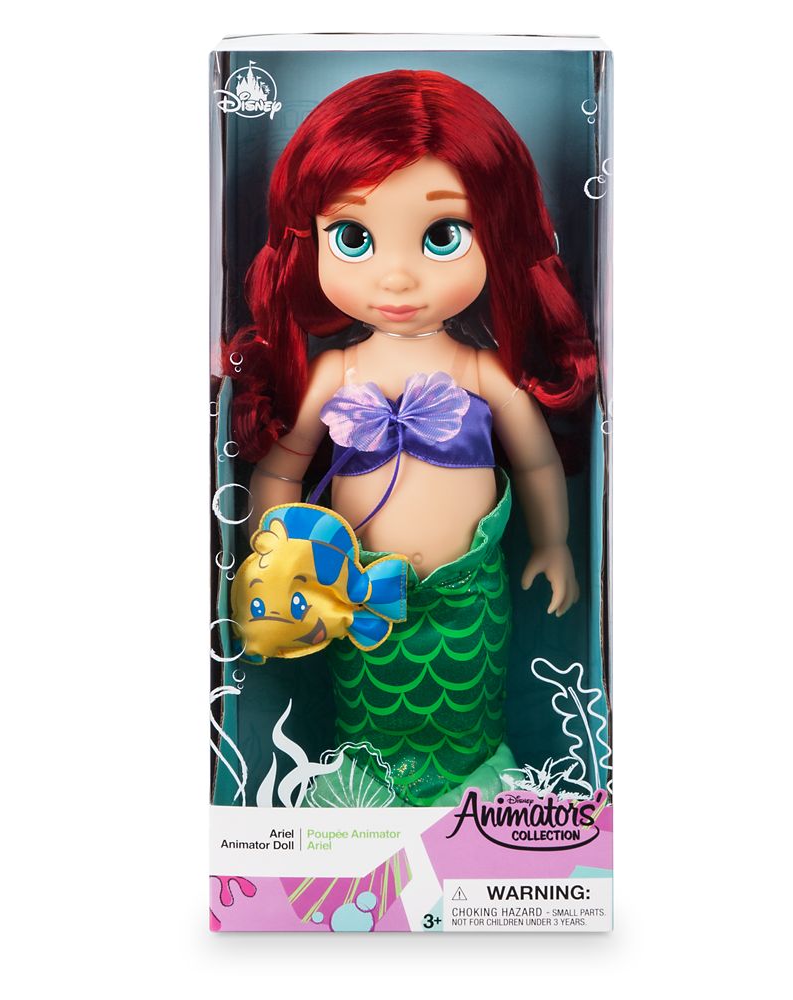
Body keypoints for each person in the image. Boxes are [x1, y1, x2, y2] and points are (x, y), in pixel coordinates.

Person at [225, 69, 597, 806]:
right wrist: (277, 555)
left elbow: (535, 463)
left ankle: (476, 792)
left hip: (469, 597)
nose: (396, 278)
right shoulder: (336, 372)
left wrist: (554, 543)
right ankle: (368, 795)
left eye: (442, 236)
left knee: (469, 699)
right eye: (354, 237)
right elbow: (281, 471)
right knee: (368, 705)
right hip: (358, 595)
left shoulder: (480, 370)